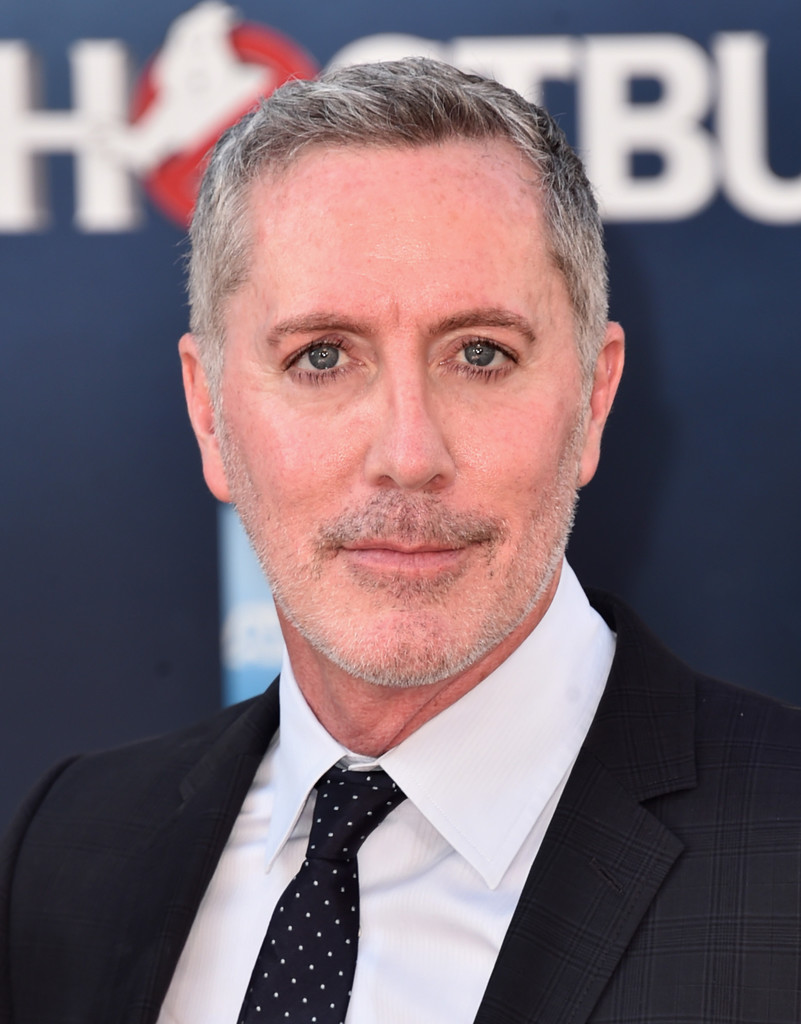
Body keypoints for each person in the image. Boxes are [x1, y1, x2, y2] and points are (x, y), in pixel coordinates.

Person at [1, 57, 799, 1024]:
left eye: (480, 354)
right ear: (209, 414)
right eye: (321, 357)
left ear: (593, 398)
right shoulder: (69, 850)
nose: (408, 455)